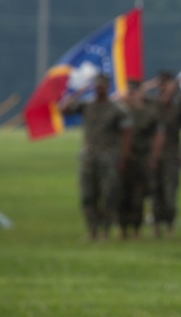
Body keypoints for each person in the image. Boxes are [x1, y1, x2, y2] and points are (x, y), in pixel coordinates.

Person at [57, 72, 133, 241]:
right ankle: (92, 230)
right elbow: (63, 109)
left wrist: (123, 157)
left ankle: (105, 230)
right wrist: (75, 93)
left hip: (109, 158)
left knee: (108, 195)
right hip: (88, 158)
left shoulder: (117, 110)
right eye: (97, 86)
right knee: (88, 195)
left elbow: (126, 134)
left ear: (107, 87)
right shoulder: (86, 106)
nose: (100, 89)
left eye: (103, 86)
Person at [118, 79, 158, 239]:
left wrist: (153, 157)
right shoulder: (119, 111)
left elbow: (156, 136)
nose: (132, 95)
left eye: (135, 91)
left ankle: (135, 229)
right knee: (121, 195)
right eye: (130, 91)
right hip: (121, 160)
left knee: (138, 195)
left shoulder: (147, 112)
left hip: (140, 158)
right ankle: (122, 228)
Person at [146, 70, 181, 237]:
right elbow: (133, 95)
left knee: (169, 191)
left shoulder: (177, 107)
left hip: (171, 155)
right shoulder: (152, 105)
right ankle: (156, 226)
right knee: (155, 192)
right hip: (153, 155)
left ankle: (169, 226)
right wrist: (150, 85)